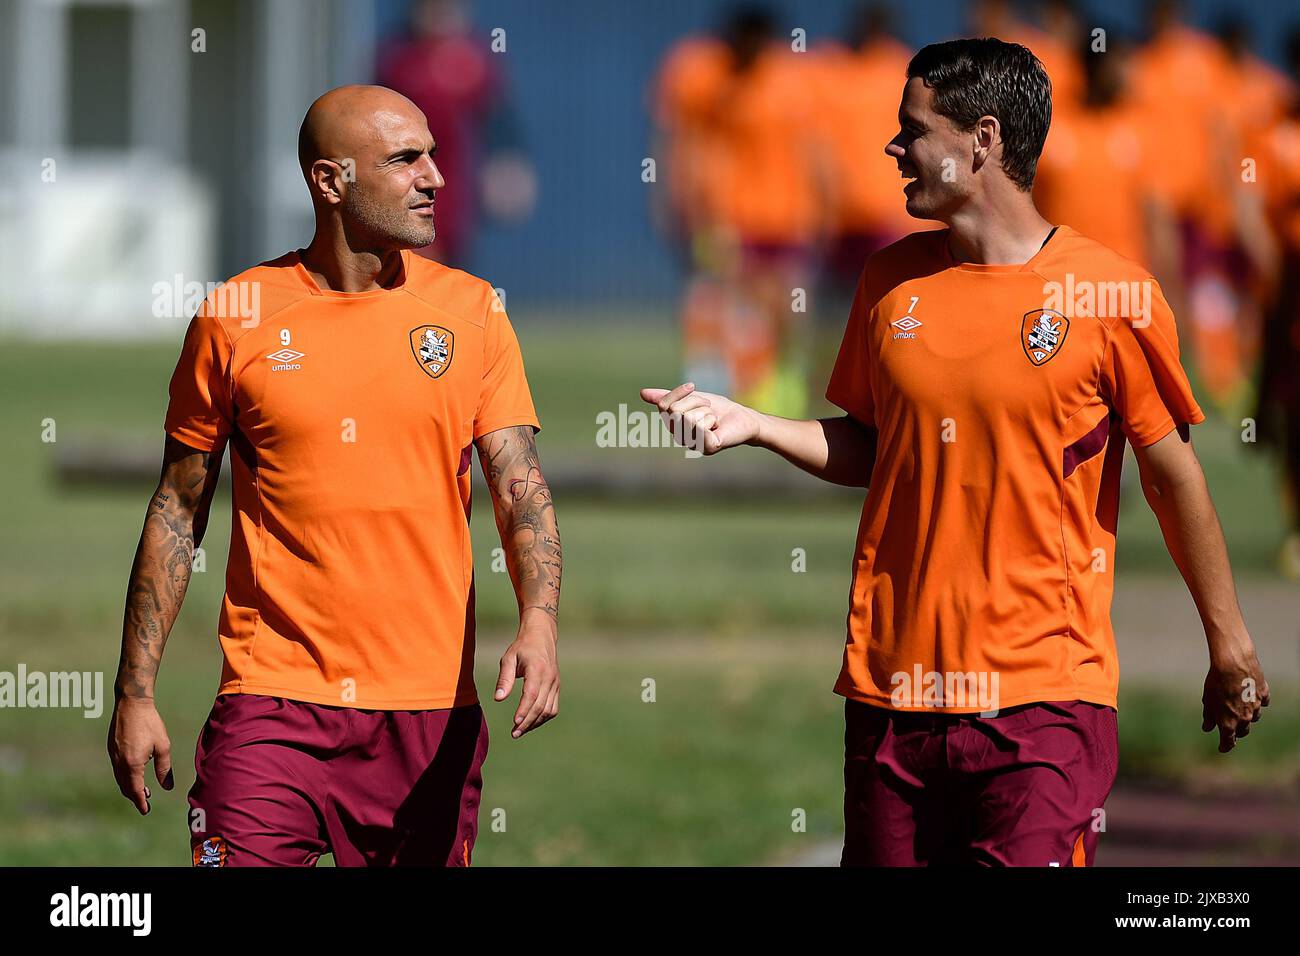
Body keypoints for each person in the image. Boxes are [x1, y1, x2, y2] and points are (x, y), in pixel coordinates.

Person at [642, 38, 1269, 866]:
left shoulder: (1111, 295)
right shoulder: (887, 282)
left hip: (1044, 702)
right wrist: (754, 423)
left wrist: (1228, 643)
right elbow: (870, 445)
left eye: (912, 130)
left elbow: (1172, 476)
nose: (892, 150)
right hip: (891, 691)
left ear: (983, 140)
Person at [107, 85, 562, 867]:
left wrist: (540, 619)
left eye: (433, 154)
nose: (436, 177)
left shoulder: (474, 310)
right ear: (330, 182)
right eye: (405, 159)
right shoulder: (235, 314)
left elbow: (521, 485)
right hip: (270, 705)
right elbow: (179, 511)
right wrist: (135, 693)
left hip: (428, 713)